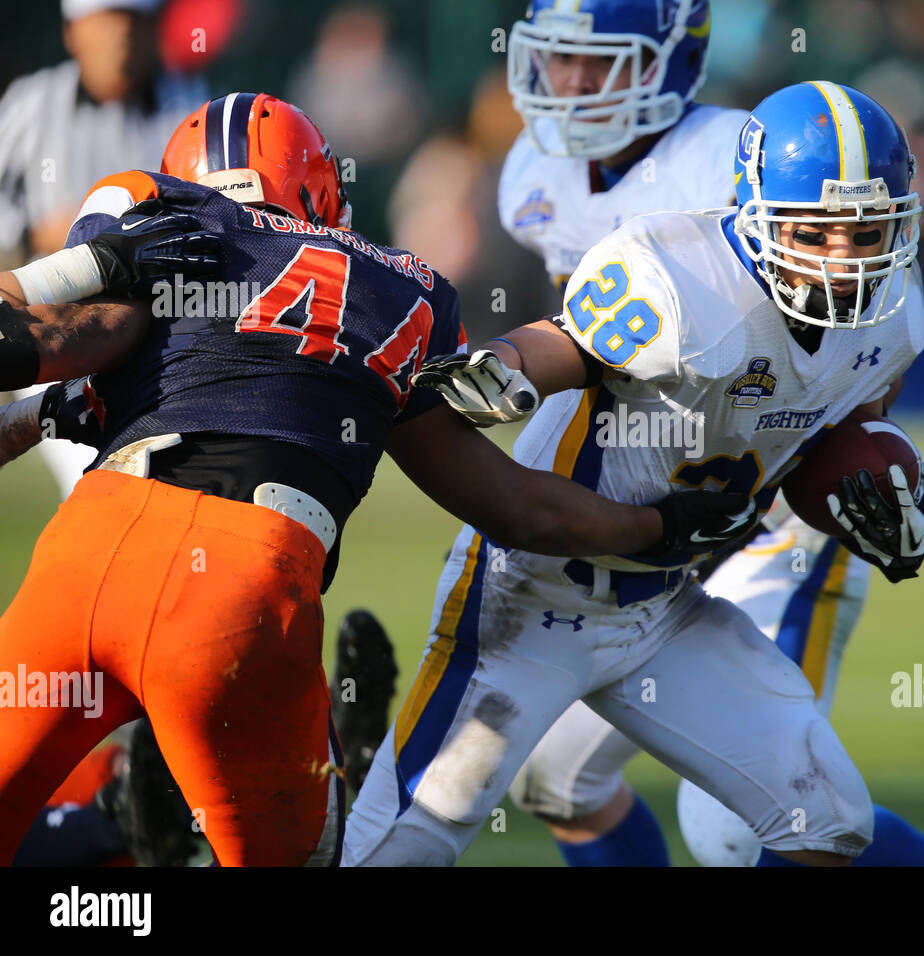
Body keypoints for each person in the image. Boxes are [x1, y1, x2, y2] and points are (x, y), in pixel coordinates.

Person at [0, 91, 754, 866]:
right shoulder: (400, 287)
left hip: (80, 560)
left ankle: (124, 823)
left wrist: (73, 279)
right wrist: (657, 526)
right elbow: (518, 507)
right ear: (321, 193)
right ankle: (283, 781)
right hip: (237, 584)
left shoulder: (158, 222)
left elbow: (30, 341)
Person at [343, 81, 924, 867]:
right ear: (757, 214)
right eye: (814, 231)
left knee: (828, 817)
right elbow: (563, 344)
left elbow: (839, 425)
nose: (843, 259)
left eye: (866, 232)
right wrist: (503, 366)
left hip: (666, 607)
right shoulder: (683, 280)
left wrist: (876, 490)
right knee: (401, 849)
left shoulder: (894, 315)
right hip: (534, 600)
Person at [495, 0, 924, 867]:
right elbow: (595, 353)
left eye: (602, 60)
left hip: (767, 509)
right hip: (663, 508)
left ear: (671, 59)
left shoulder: (734, 156)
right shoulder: (533, 172)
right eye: (560, 59)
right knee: (554, 781)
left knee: (741, 829)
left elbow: (857, 338)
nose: (574, 83)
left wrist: (845, 448)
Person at [0, 0, 208, 498]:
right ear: (73, 33)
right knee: (102, 484)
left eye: (132, 21)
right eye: (107, 21)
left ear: (154, 27)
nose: (121, 36)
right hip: (58, 323)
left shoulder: (191, 102)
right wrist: (40, 239)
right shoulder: (31, 104)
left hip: (164, 329)